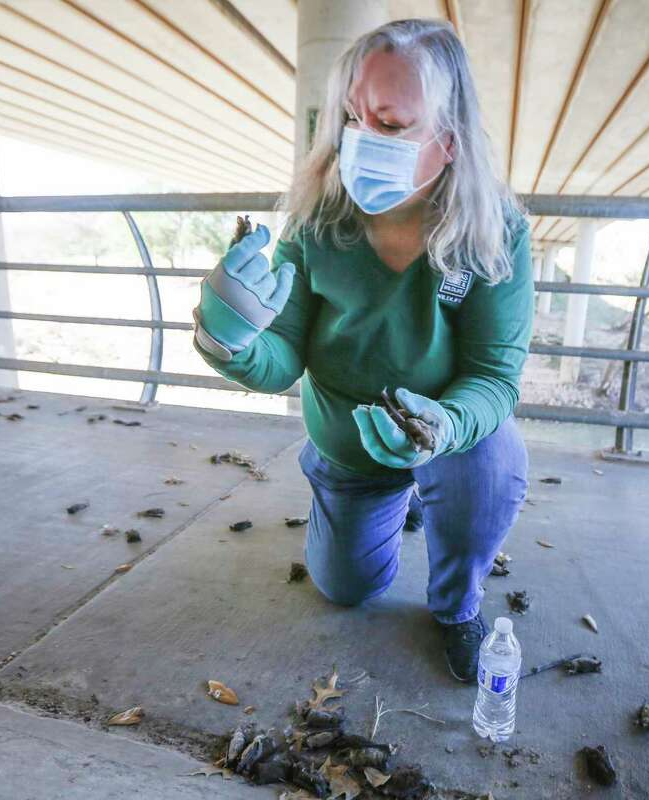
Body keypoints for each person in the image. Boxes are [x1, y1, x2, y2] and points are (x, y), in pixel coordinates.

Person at [192, 18, 533, 683]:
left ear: (450, 138)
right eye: (351, 118)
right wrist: (228, 339)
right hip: (349, 441)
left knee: (489, 461)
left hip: (443, 433)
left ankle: (457, 604)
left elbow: (494, 375)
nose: (361, 142)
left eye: (392, 123)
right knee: (345, 589)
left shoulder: (493, 230)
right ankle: (368, 491)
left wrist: (446, 424)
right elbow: (282, 356)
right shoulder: (319, 218)